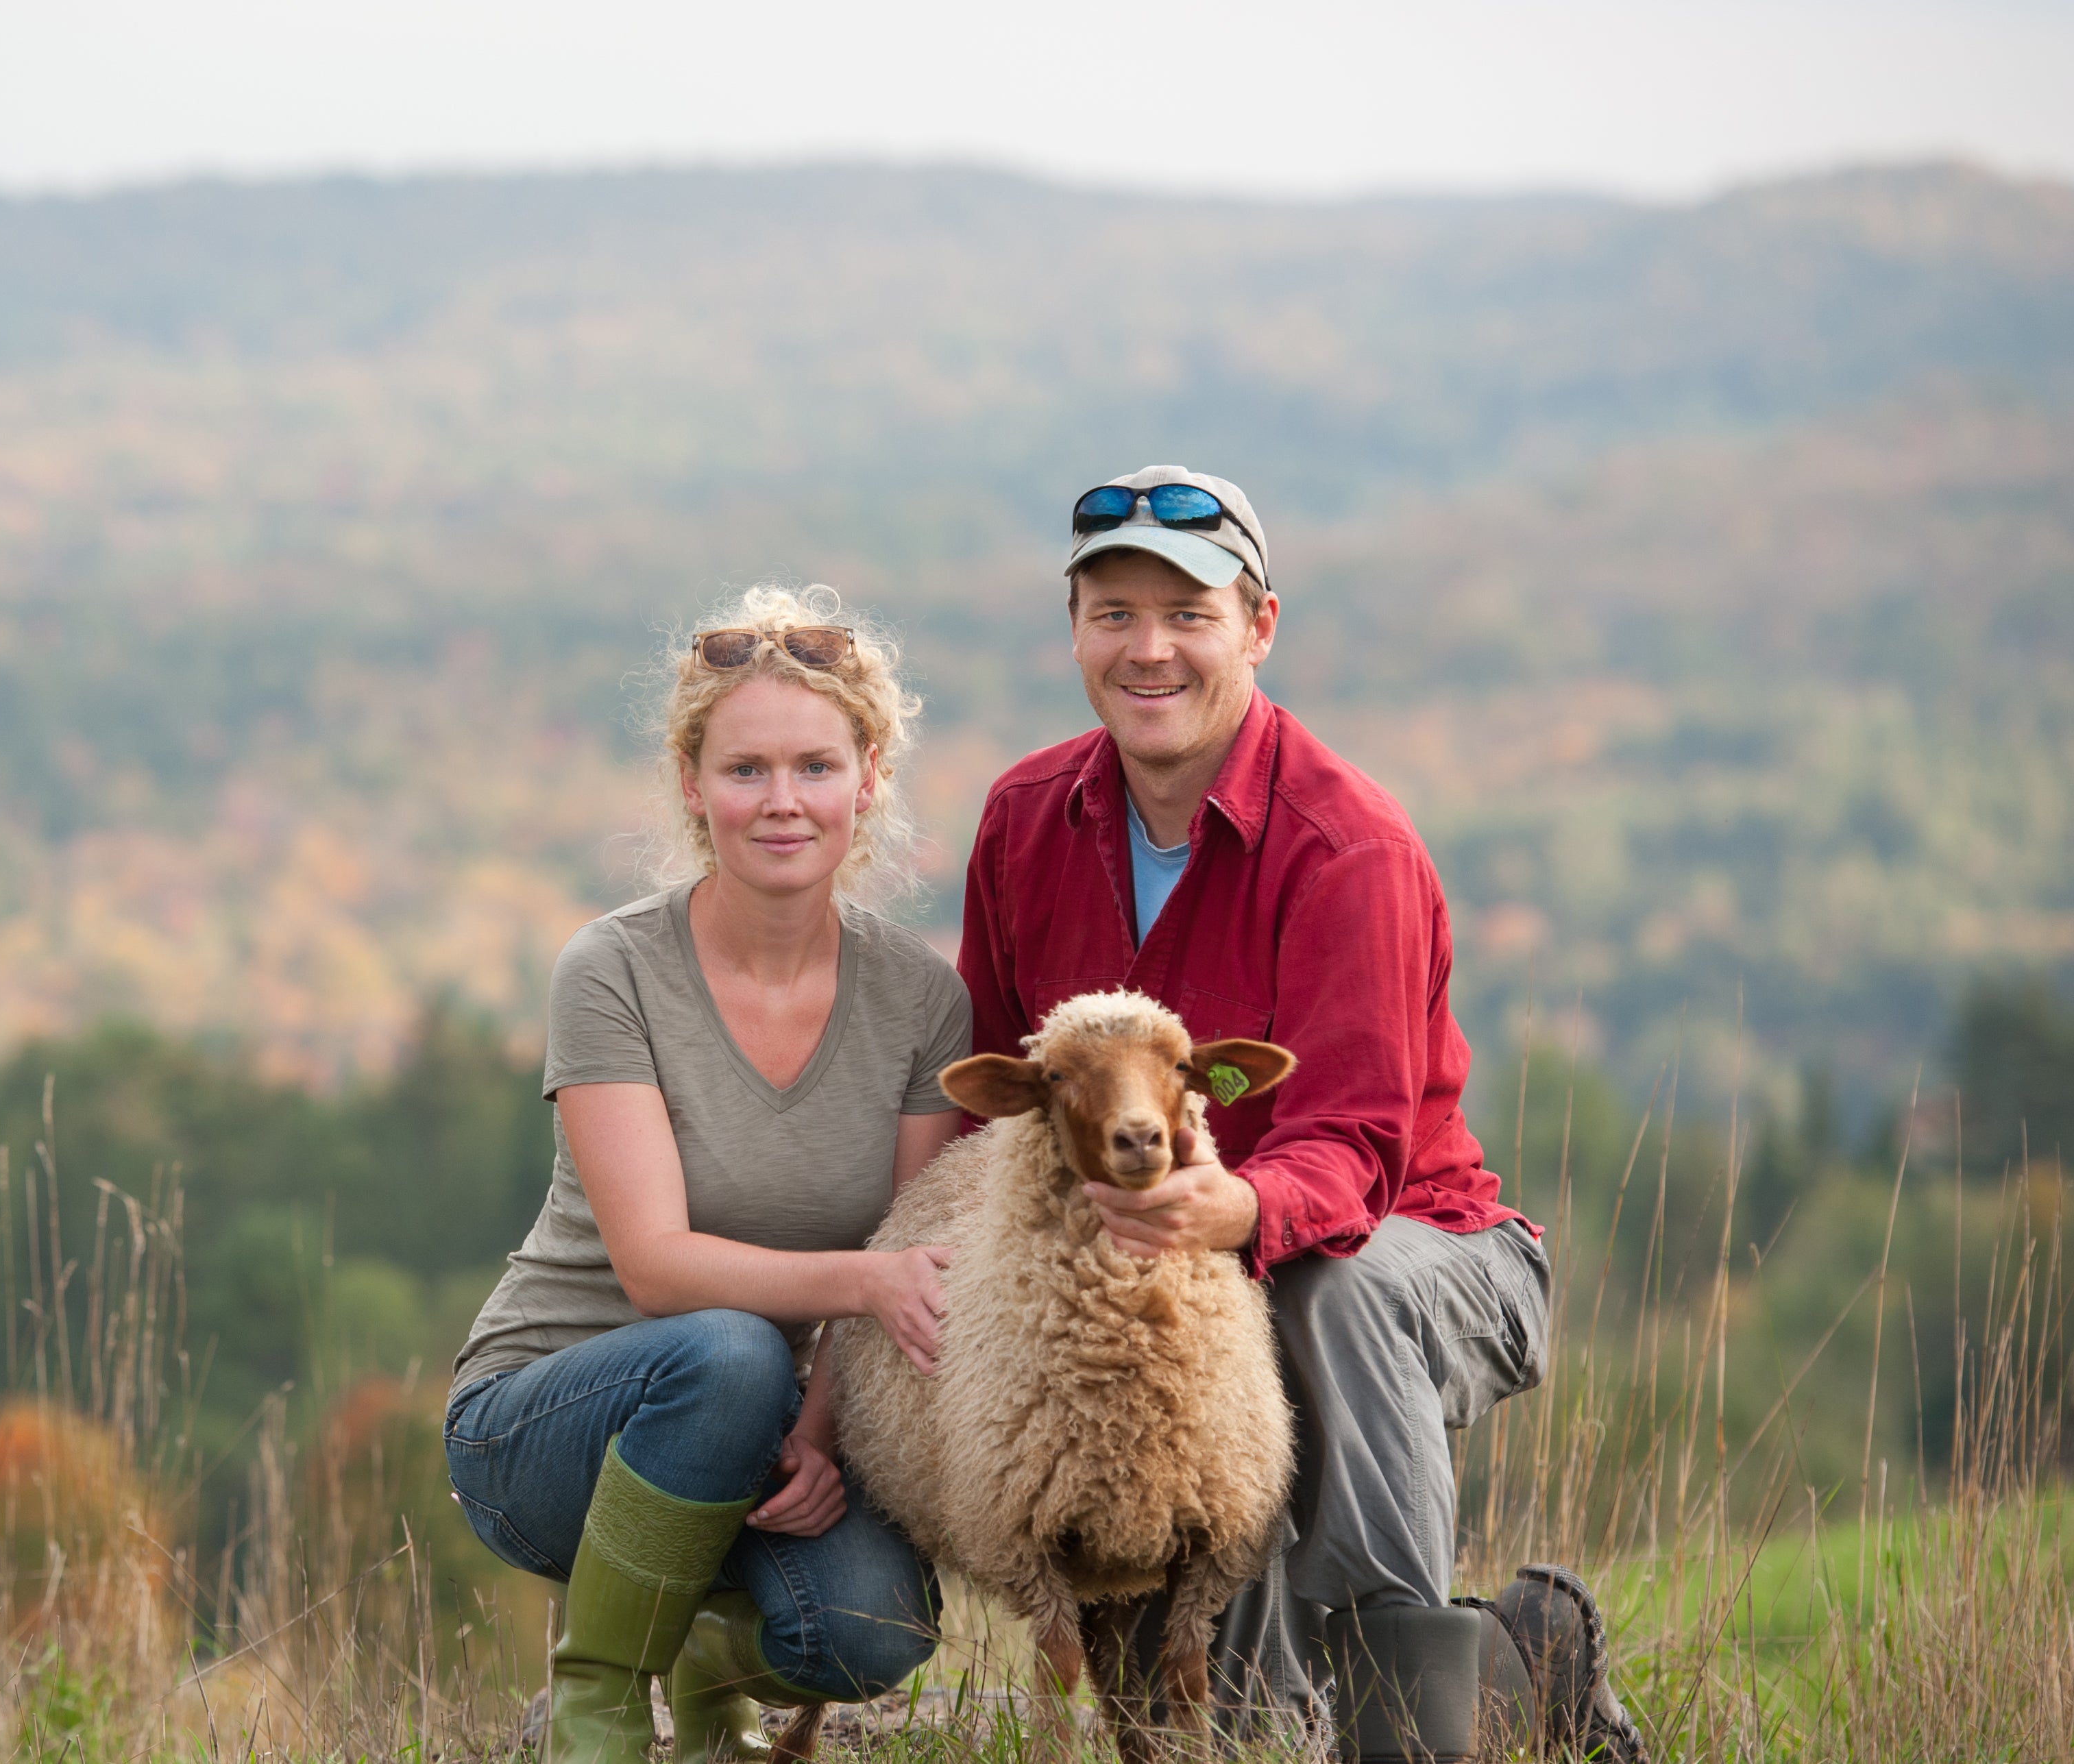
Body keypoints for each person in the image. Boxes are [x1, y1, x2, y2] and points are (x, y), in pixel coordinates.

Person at [955, 465, 1647, 1762]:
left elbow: (1356, 1150)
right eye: (1113, 613)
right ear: (1074, 629)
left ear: (1260, 626)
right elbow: (990, 1081)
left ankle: (1411, 1734)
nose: (1148, 648)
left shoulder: (1349, 846)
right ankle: (1516, 1662)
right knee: (1204, 1688)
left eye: (1189, 613)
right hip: (1170, 1266)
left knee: (1314, 1287)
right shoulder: (1026, 820)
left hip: (1428, 1250)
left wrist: (1239, 1210)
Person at [443, 585, 969, 1764]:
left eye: (816, 766)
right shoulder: (614, 969)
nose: (783, 801)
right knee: (726, 1345)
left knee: (872, 1626)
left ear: (868, 775)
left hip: (771, 1422)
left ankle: (697, 1655)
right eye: (745, 770)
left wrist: (826, 1430)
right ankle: (595, 1714)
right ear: (693, 783)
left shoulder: (924, 1002)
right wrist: (865, 1286)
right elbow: (658, 1265)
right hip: (552, 1425)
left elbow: (910, 1247)